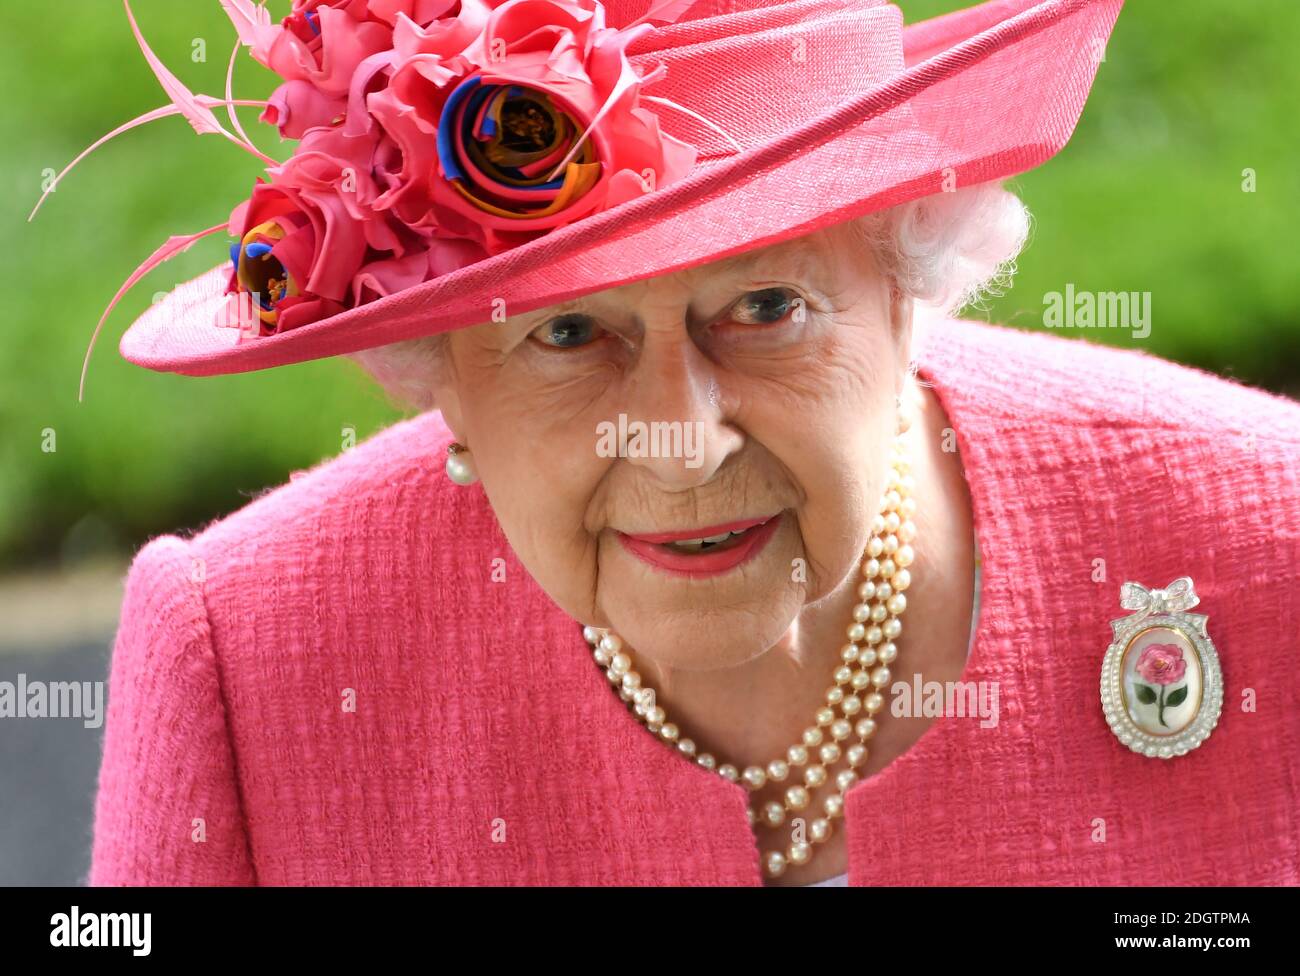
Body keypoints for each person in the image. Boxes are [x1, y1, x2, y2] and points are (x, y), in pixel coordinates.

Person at [78, 0, 1300, 886]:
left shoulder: (1273, 537)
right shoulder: (243, 666)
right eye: (564, 330)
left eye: (765, 307)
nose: (681, 443)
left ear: (907, 277)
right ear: (441, 368)